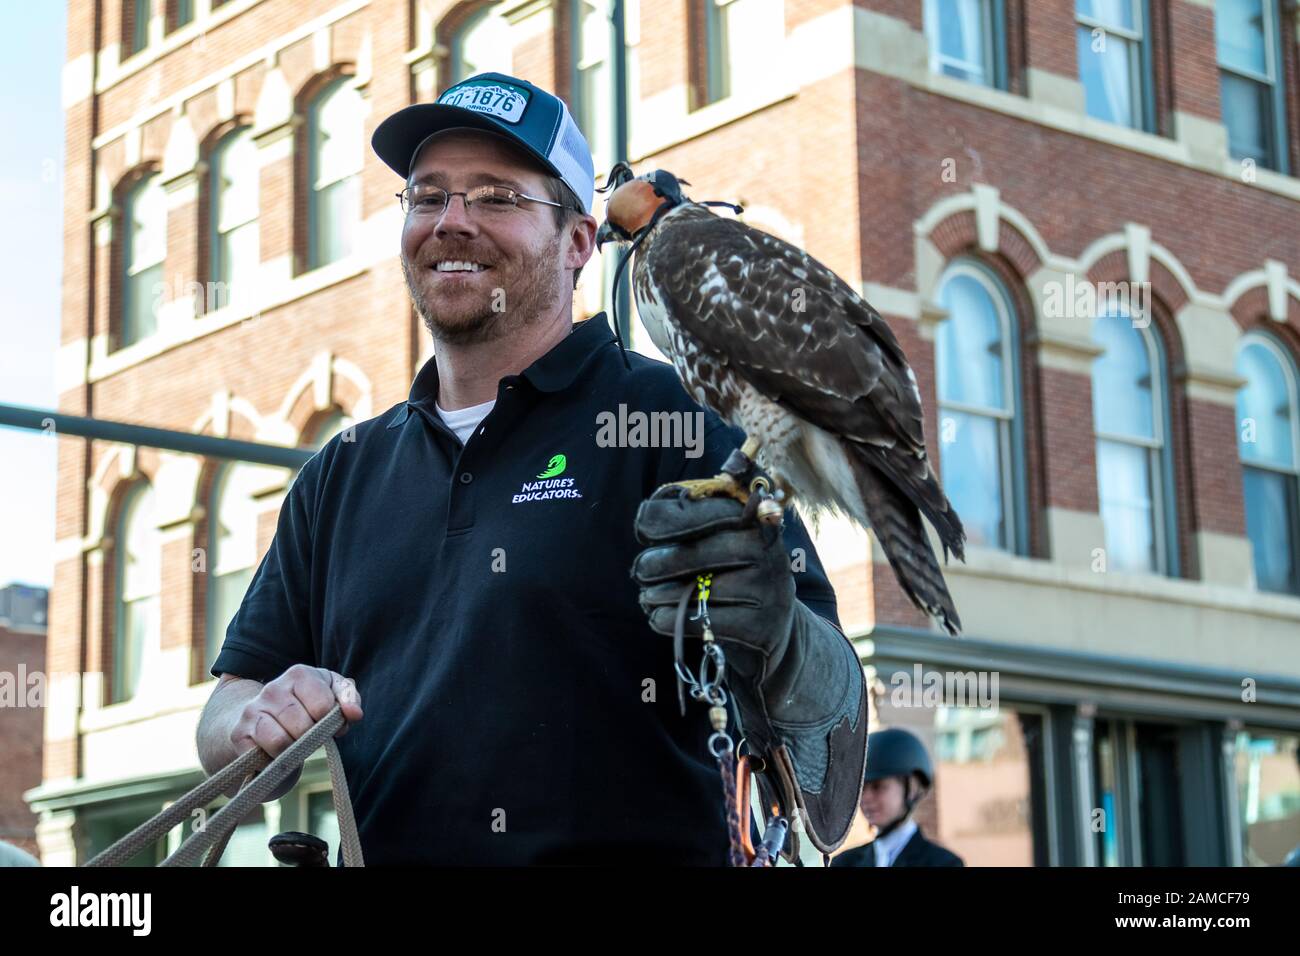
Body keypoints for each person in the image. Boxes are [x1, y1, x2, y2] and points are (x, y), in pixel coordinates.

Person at [195, 71, 867, 865]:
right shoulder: (339, 474)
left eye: (497, 198)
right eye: (427, 196)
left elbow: (833, 730)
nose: (452, 222)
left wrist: (782, 637)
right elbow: (223, 714)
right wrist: (254, 716)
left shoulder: (674, 421)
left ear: (579, 241)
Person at [831, 726, 963, 867]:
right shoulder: (844, 862)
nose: (865, 798)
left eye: (877, 786)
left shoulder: (944, 863)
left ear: (912, 788)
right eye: (861, 789)